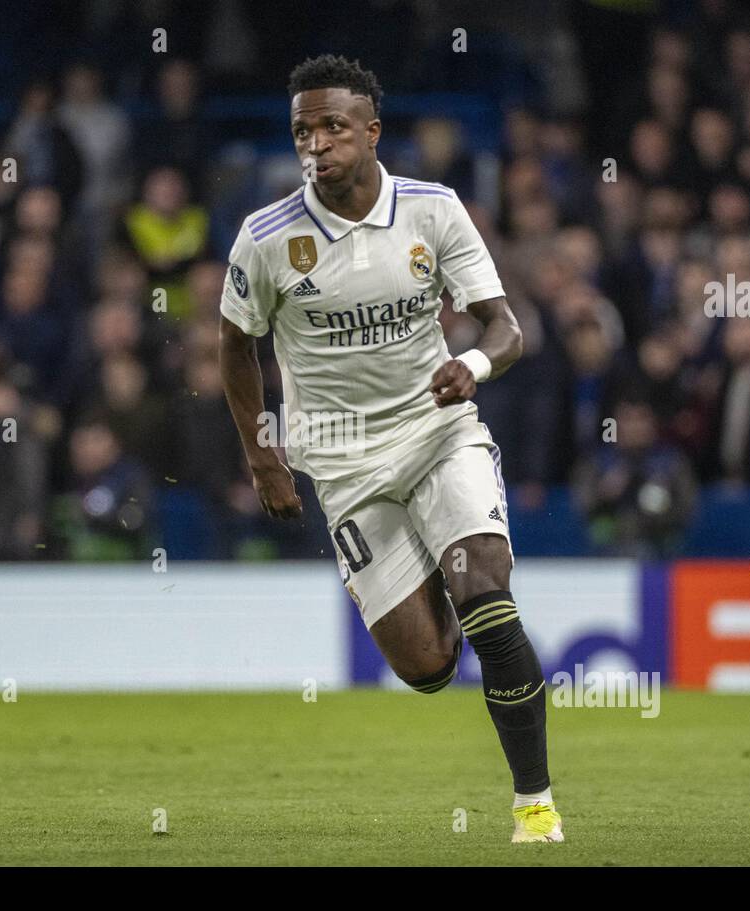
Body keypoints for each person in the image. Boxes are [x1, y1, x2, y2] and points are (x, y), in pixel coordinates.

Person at [217, 55, 560, 844]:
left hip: (439, 433)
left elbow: (507, 328)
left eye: (334, 126)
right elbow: (235, 348)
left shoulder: (434, 211)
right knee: (427, 668)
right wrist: (264, 456)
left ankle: (534, 808)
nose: (317, 143)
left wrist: (469, 365)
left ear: (372, 133)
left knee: (488, 598)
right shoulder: (265, 239)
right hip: (341, 463)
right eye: (303, 130)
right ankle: (438, 570)